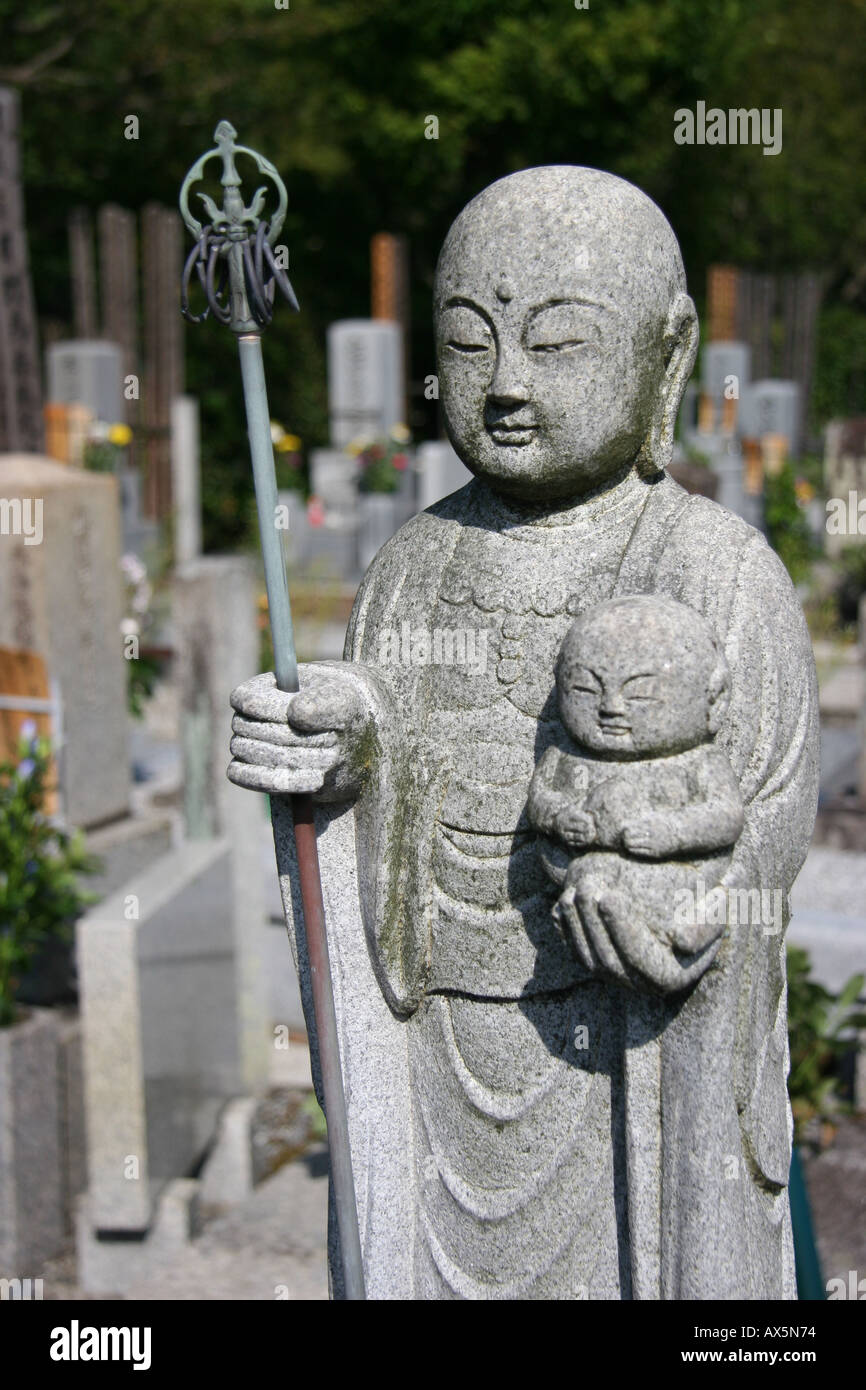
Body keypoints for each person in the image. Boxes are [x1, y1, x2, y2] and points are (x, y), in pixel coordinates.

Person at [228, 166, 819, 1299]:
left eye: (555, 346)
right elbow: (380, 752)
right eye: (466, 343)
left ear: (667, 356)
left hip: (624, 1069)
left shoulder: (713, 568)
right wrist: (336, 751)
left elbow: (764, 832)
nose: (501, 386)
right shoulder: (411, 564)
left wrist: (670, 900)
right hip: (437, 1050)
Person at [528, 594, 745, 974]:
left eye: (640, 693)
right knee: (591, 889)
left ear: (712, 700)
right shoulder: (565, 759)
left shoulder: (700, 762)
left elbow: (727, 815)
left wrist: (672, 832)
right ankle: (638, 947)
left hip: (676, 876)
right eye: (585, 689)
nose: (611, 707)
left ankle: (684, 941)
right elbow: (541, 800)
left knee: (687, 899)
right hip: (593, 877)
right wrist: (561, 818)